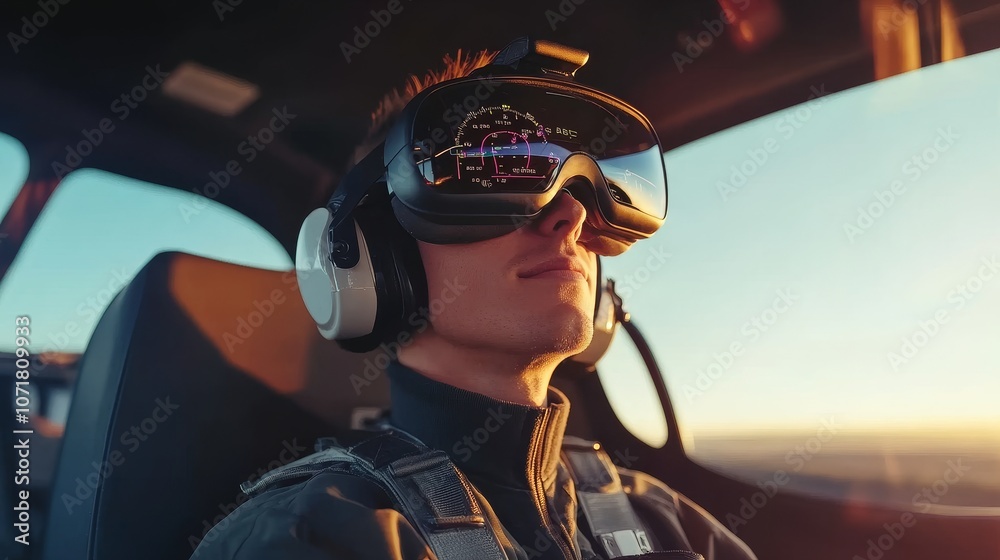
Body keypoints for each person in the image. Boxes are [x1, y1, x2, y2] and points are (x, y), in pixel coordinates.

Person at [190, 38, 757, 560]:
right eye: (494, 177)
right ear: (371, 258)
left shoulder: (658, 514)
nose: (571, 215)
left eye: (580, 184)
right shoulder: (316, 535)